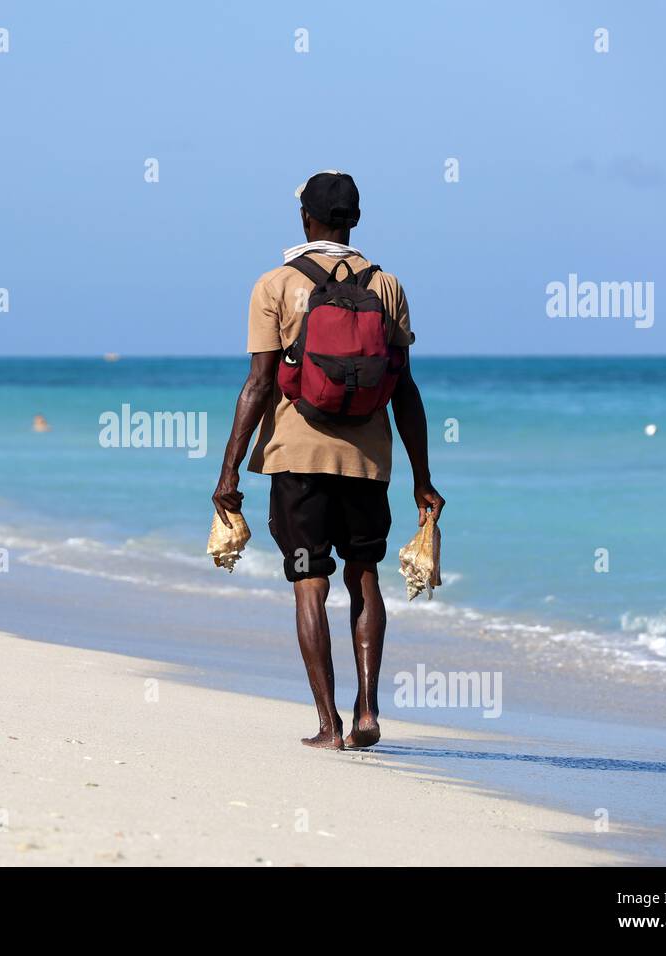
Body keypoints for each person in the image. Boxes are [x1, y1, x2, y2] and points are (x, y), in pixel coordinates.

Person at [212, 170, 445, 750]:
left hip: (295, 460)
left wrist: (229, 472)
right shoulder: (387, 286)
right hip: (368, 464)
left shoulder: (275, 284)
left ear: (304, 219)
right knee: (363, 574)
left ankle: (328, 725)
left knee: (309, 582)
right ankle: (368, 711)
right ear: (356, 220)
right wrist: (423, 478)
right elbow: (406, 391)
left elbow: (258, 385)